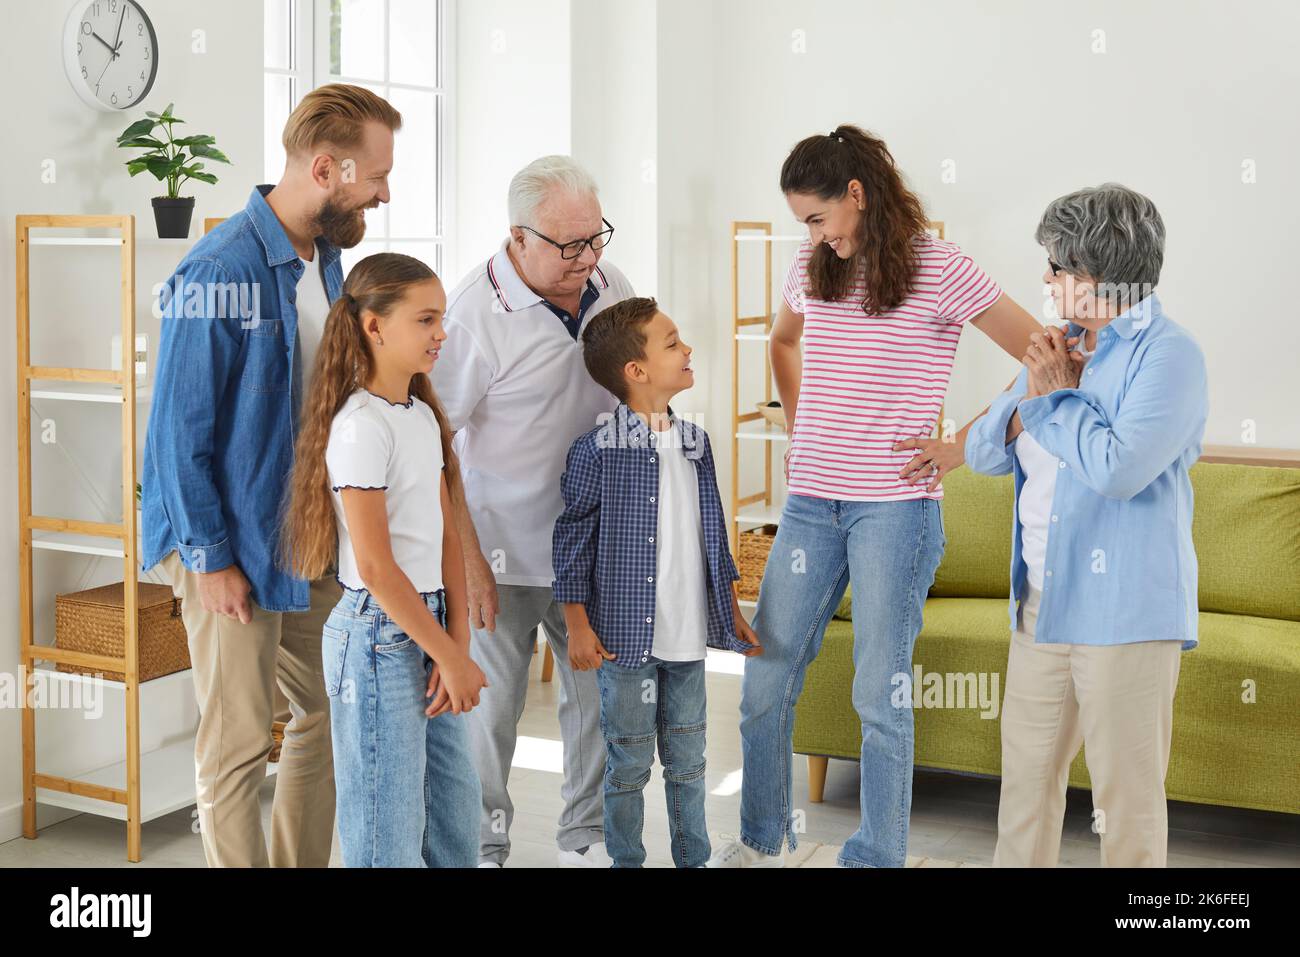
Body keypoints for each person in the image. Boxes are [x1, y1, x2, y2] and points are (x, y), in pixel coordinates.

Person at [710, 124, 1048, 869]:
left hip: (894, 513)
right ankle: (764, 838)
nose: (813, 234)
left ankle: (876, 856)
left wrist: (963, 446)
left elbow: (1046, 354)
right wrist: (804, 429)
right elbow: (782, 341)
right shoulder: (814, 263)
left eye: (817, 216)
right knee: (765, 675)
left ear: (856, 195)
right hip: (808, 506)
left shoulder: (940, 266)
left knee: (879, 694)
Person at [140, 84, 401, 867]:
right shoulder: (217, 269)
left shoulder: (326, 258)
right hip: (225, 538)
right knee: (238, 738)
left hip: (303, 536)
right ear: (326, 168)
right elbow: (175, 435)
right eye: (376, 176)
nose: (385, 193)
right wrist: (210, 557)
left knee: (330, 707)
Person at [964, 184, 1207, 867]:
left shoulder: (1170, 356)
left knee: (1125, 804)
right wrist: (1031, 398)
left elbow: (1118, 469)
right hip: (1040, 606)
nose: (1045, 278)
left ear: (1097, 275)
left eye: (1057, 265)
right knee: (1025, 791)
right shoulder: (1059, 344)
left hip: (1126, 613)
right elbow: (984, 450)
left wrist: (1053, 398)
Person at [433, 156, 636, 867]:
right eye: (568, 245)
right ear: (518, 238)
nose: (589, 258)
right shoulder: (471, 315)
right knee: (490, 711)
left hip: (591, 545)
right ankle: (483, 845)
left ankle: (585, 838)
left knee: (596, 700)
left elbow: (629, 403)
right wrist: (465, 559)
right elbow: (438, 443)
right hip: (501, 549)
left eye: (596, 237)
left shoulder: (612, 288)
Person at [281, 252, 488, 867]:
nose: (441, 334)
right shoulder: (359, 427)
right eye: (426, 320)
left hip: (430, 627)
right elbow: (375, 567)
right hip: (377, 636)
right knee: (385, 836)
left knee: (455, 822)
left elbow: (448, 535)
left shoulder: (422, 415)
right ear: (374, 326)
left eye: (442, 318)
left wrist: (457, 644)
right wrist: (448, 655)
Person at [553, 297, 762, 868]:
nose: (687, 348)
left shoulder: (697, 444)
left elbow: (713, 535)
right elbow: (571, 542)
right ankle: (627, 861)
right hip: (622, 639)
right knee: (627, 763)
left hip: (687, 637)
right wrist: (576, 625)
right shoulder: (595, 451)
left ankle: (691, 859)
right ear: (636, 371)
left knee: (690, 763)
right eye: (672, 343)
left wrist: (731, 608)